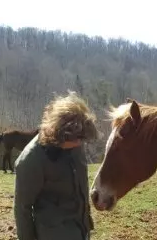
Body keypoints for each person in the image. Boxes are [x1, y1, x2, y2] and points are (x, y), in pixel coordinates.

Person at [14, 91, 98, 240]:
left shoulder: (76, 141)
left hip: (81, 230)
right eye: (76, 139)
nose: (79, 143)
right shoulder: (31, 161)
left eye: (81, 139)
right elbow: (22, 209)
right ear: (58, 133)